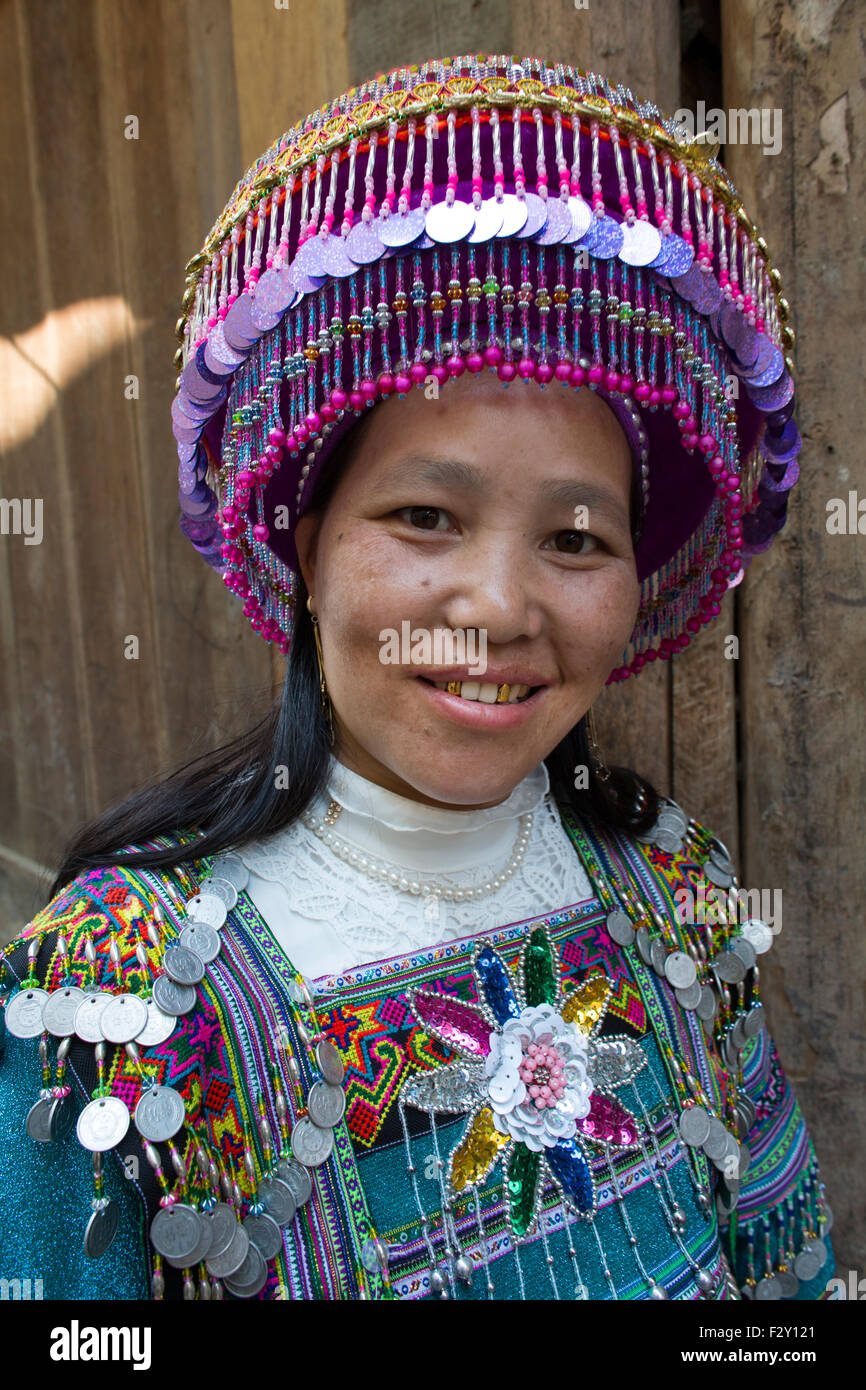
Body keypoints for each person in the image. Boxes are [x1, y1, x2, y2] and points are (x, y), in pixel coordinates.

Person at [0, 52, 834, 1302]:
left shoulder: (673, 886)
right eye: (425, 516)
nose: (498, 607)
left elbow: (786, 1274)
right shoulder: (117, 984)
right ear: (308, 548)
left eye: (573, 539)